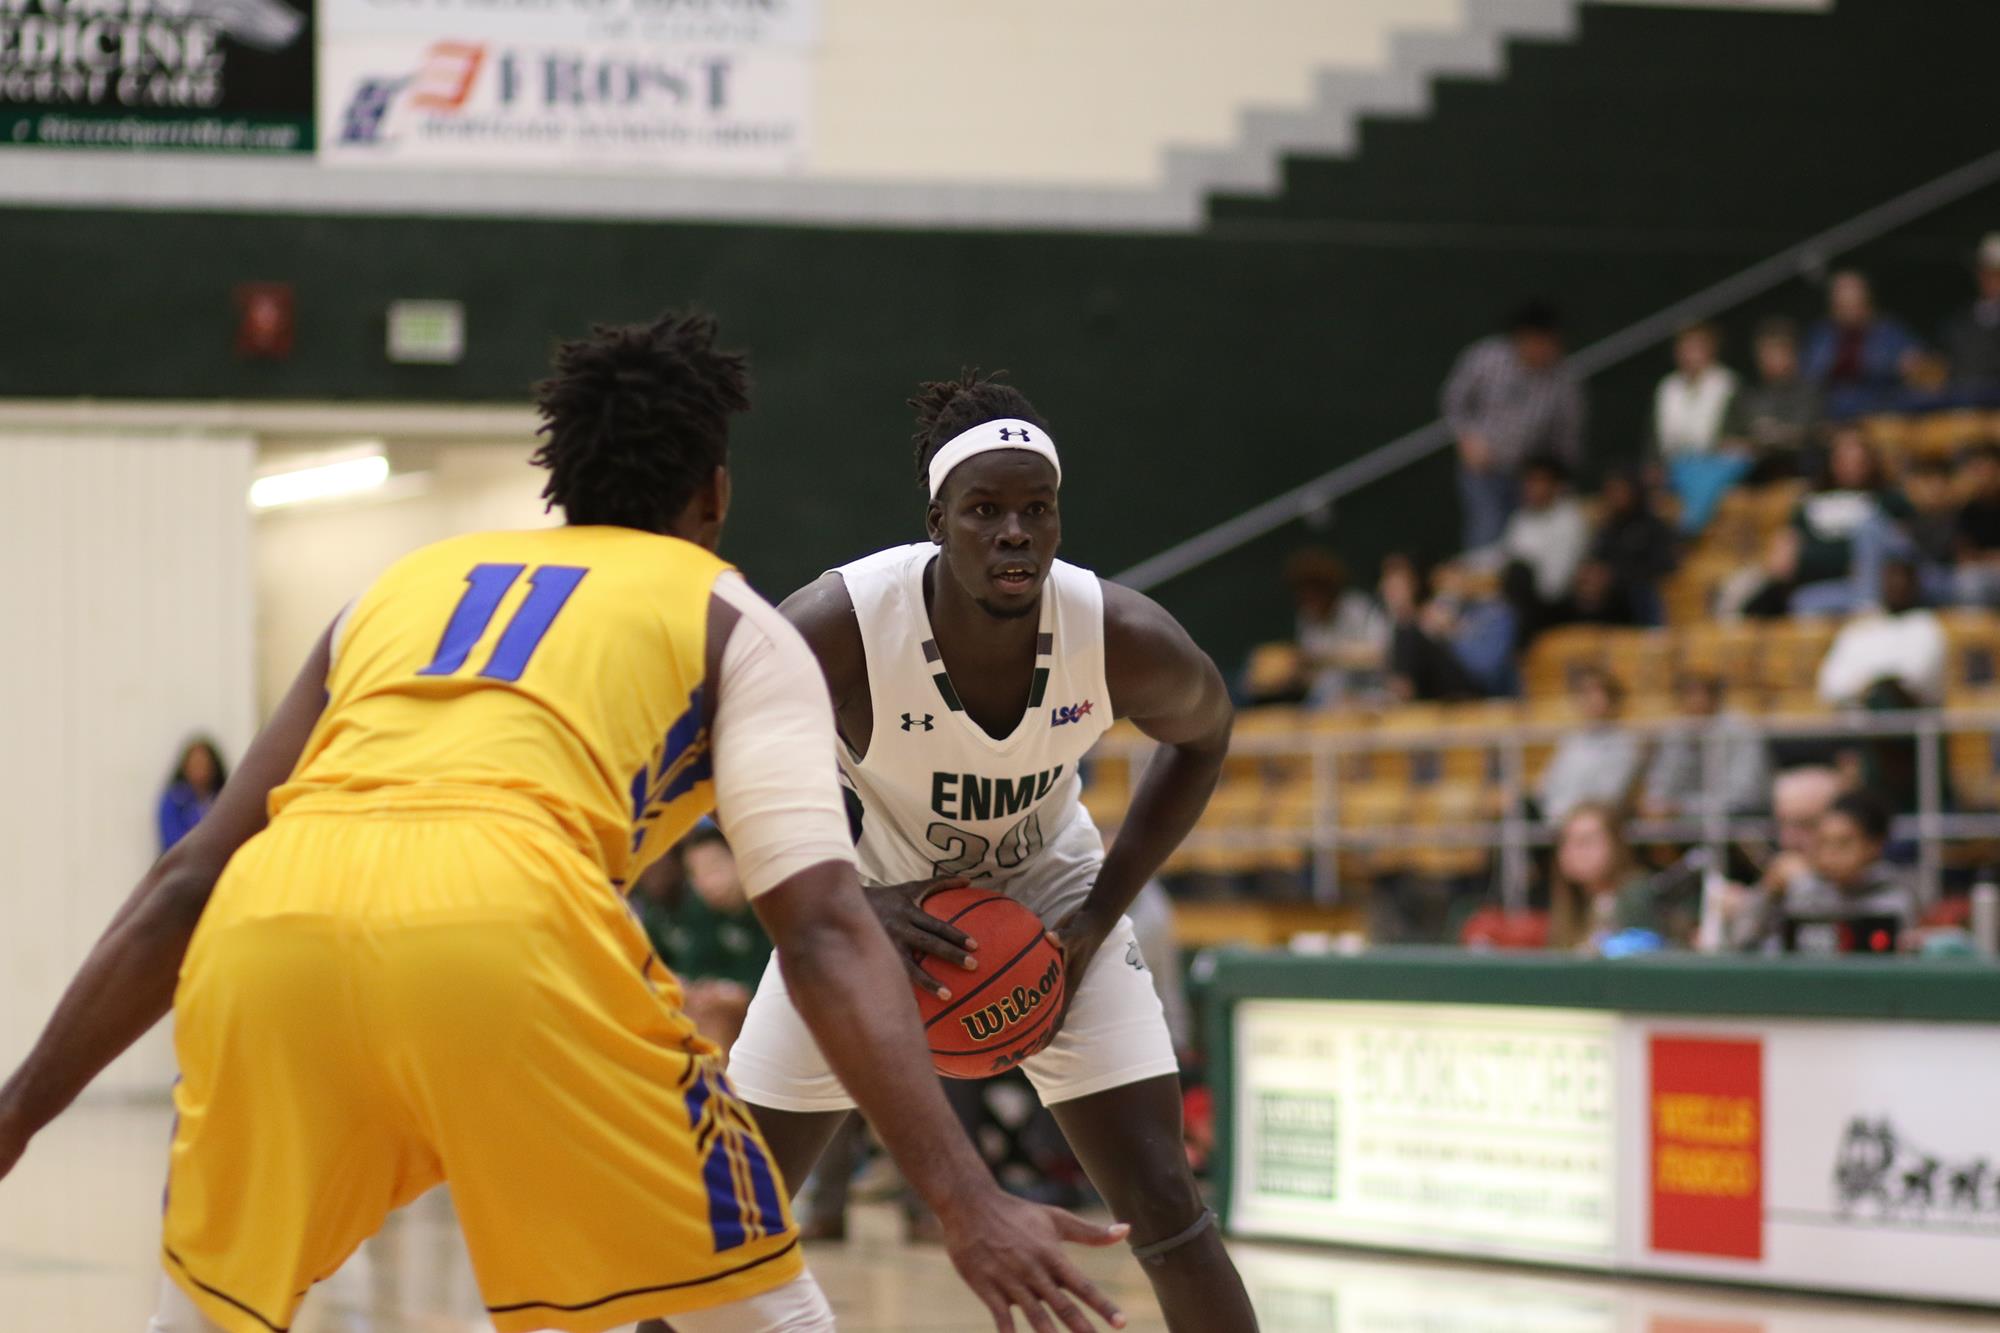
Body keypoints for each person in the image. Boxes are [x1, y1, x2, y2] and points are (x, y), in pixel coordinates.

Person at [0, 314, 1128, 1333]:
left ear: (559, 484)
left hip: (265, 941)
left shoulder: (397, 589)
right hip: (510, 936)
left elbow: (189, 880)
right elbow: (826, 928)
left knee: (203, 1317)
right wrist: (964, 1198)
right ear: (714, 496)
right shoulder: (734, 620)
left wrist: (15, 1115)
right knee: (762, 1317)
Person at [720, 371, 1258, 1333]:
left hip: (1049, 895)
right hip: (870, 908)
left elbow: (1205, 733)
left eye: (1035, 511)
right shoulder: (840, 623)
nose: (1014, 532)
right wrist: (840, 898)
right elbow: (718, 747)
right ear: (938, 520)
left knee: (1168, 1208)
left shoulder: (1116, 633)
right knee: (727, 1225)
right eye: (985, 511)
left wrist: (1097, 916)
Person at [1442, 301, 1587, 549]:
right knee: (1487, 529)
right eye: (1537, 341)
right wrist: (1466, 438)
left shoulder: (1563, 380)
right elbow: (1453, 398)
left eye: (1550, 343)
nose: (1543, 350)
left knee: (1526, 540)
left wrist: (1557, 481)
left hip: (1526, 477)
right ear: (1522, 337)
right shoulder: (1487, 357)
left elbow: (1567, 437)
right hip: (1483, 470)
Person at [631, 824, 772, 1055]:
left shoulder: (771, 908)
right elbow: (694, 973)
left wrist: (739, 993)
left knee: (716, 1019)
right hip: (727, 1011)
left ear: (739, 860)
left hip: (777, 1012)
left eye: (715, 868)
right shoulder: (699, 913)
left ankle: (720, 1086)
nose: (708, 882)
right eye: (696, 873)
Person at [1755, 428, 1914, 618]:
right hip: (1833, 589)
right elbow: (1782, 559)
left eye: (1859, 460)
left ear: (1871, 461)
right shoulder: (1810, 503)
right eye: (1845, 459)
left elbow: (1906, 549)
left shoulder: (1889, 499)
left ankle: (1868, 605)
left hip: (1880, 591)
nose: (1852, 466)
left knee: (1868, 527)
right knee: (1804, 604)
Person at [1764, 792, 1917, 951]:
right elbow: (1748, 942)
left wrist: (1801, 887)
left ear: (1874, 845)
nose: (1829, 855)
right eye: (1823, 843)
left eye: (1843, 844)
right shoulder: (1804, 885)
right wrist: (1768, 892)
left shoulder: (1895, 896)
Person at [1548, 803, 1683, 950]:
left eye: (1586, 841)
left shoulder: (1638, 895)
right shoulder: (1570, 905)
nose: (1573, 852)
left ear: (1616, 844)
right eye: (1566, 841)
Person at [1652, 323, 1746, 533]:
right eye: (1685, 347)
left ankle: (1689, 529)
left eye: (1697, 347)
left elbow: (1734, 434)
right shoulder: (1667, 387)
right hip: (1674, 466)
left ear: (1711, 349)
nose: (1690, 354)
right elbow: (1655, 441)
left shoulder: (1728, 383)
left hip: (1714, 463)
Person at [1638, 674, 1770, 821]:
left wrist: (1682, 808)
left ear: (1717, 699)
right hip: (1683, 823)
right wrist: (1658, 805)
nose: (1696, 702)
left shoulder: (1742, 732)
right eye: (1688, 695)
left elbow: (1745, 797)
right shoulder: (1674, 732)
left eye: (1701, 695)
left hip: (1739, 820)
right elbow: (1660, 787)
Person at [1817, 559, 1947, 708]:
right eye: (1891, 579)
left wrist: (1873, 683)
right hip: (1856, 721)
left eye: (1902, 580)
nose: (1897, 586)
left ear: (1914, 584)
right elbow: (1830, 685)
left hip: (1909, 723)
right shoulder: (1860, 627)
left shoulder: (1926, 626)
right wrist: (1865, 687)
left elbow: (1916, 679)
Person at [1535, 668, 1647, 824]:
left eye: (1597, 693)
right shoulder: (1571, 740)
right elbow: (1546, 787)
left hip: (1596, 822)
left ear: (1612, 700)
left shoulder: (1626, 744)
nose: (1590, 700)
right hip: (1555, 817)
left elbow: (1609, 796)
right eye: (1585, 694)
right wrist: (1555, 812)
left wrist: (1570, 816)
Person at [1801, 271, 1922, 413]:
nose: (1849, 311)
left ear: (1867, 301)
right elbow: (1810, 374)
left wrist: (1908, 364)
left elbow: (1915, 362)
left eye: (1854, 304)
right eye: (1843, 306)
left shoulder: (1889, 331)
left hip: (1883, 407)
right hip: (1832, 412)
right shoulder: (1822, 335)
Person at [1282, 547, 1388, 706]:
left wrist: (1324, 657)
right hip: (1322, 703)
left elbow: (1377, 654)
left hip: (1367, 696)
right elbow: (1314, 678)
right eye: (1303, 591)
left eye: (1314, 589)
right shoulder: (1306, 618)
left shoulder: (1356, 608)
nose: (1309, 597)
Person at [1722, 316, 1820, 479]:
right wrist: (1753, 444)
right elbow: (1725, 441)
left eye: (1779, 352)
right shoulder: (1746, 394)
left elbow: (1808, 435)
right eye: (1765, 353)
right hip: (1750, 475)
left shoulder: (1809, 392)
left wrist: (1773, 437)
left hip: (1798, 473)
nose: (1771, 359)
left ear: (1793, 354)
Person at [1587, 471, 1677, 626]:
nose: (1615, 497)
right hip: (1607, 595)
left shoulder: (1654, 527)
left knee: (1641, 593)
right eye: (1611, 491)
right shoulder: (1607, 528)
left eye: (1620, 490)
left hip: (1638, 593)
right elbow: (1597, 559)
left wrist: (1618, 576)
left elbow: (1665, 564)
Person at [1941, 232, 2000, 397]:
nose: (1992, 280)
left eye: (1997, 273)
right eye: (1988, 272)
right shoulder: (1962, 319)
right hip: (1965, 406)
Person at [158, 737, 228, 855]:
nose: (199, 768)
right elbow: (171, 841)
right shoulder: (173, 800)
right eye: (195, 763)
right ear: (185, 767)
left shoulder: (224, 800)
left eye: (203, 763)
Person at [1951, 442, 2000, 607]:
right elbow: (1965, 556)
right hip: (1983, 573)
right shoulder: (1968, 511)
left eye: (1988, 469)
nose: (1984, 476)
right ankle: (1974, 631)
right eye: (1977, 470)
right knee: (1969, 581)